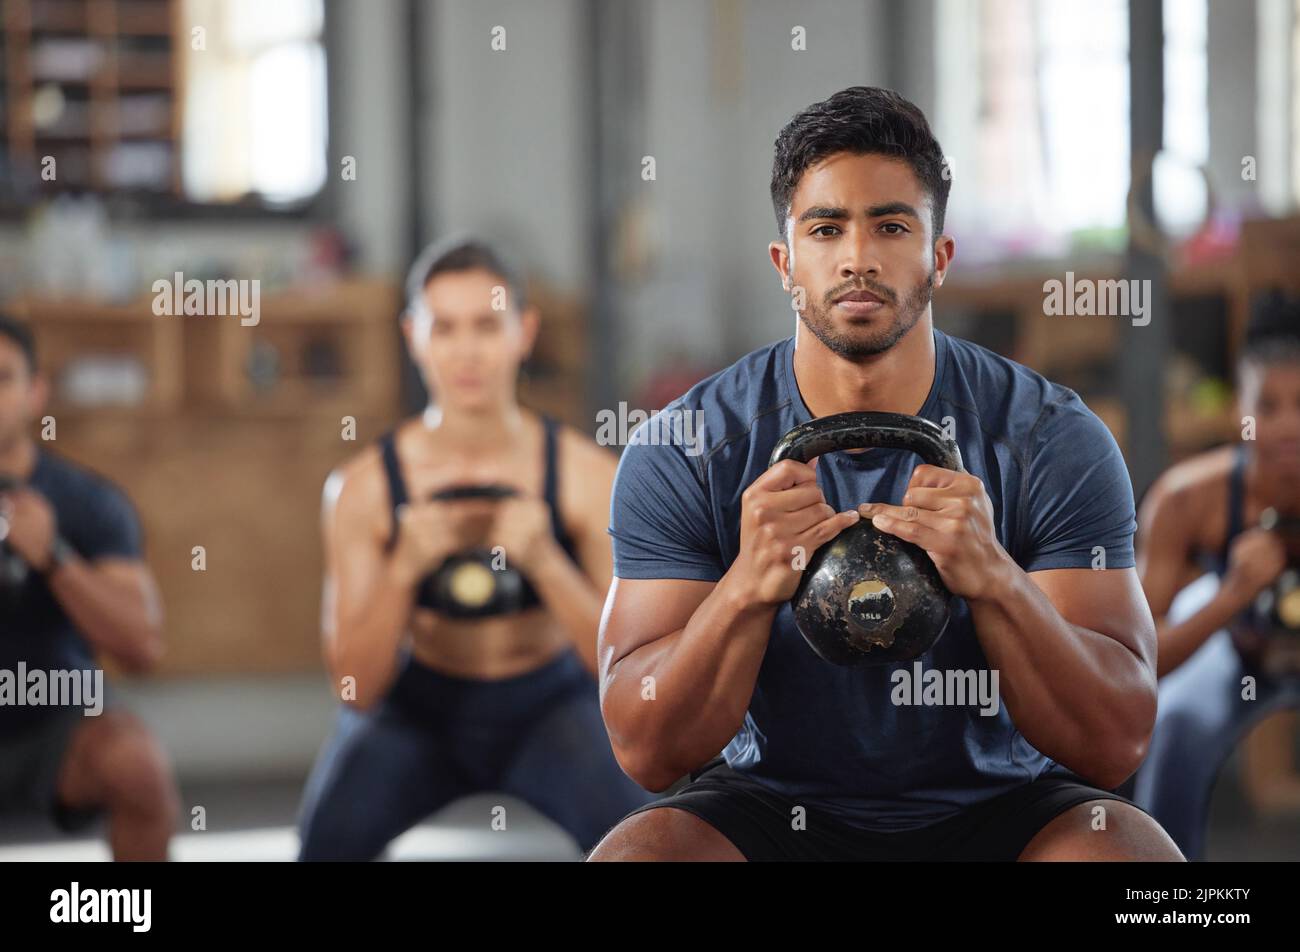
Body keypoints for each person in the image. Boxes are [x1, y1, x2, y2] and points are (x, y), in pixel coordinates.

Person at [588, 87, 1183, 861]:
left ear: (939, 257)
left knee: (1139, 865)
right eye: (826, 228)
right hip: (772, 809)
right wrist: (748, 584)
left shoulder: (1051, 438)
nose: (857, 257)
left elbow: (1117, 738)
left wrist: (993, 576)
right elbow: (646, 750)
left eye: (891, 226)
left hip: (997, 808)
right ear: (785, 262)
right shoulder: (686, 445)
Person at [296, 238, 653, 860]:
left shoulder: (586, 475)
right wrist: (404, 566)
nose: (466, 352)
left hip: (550, 703)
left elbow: (627, 669)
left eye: (487, 326)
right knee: (324, 845)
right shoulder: (363, 488)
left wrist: (545, 561)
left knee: (649, 846)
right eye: (445, 328)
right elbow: (354, 685)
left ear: (524, 332)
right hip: (422, 705)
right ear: (413, 335)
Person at [0, 314, 176, 860]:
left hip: (53, 721)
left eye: (2, 379)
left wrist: (53, 557)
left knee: (136, 766)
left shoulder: (87, 503)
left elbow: (143, 646)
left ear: (35, 392)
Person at [1132, 292, 1300, 859]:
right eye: (1268, 407)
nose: (1286, 427)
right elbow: (1139, 660)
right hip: (1236, 656)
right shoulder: (1188, 500)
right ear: (1240, 413)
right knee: (1178, 724)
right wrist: (1233, 594)